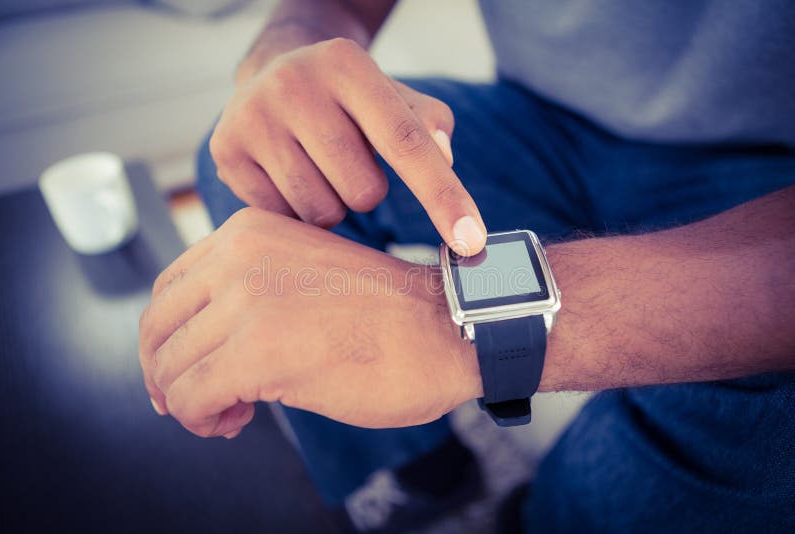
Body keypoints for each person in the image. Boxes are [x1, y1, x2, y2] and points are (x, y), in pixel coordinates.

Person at [138, 0, 795, 531]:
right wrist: (286, 49)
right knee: (256, 172)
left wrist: (448, 322)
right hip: (542, 123)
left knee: (771, 417)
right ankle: (419, 471)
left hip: (770, 173)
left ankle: (544, 518)